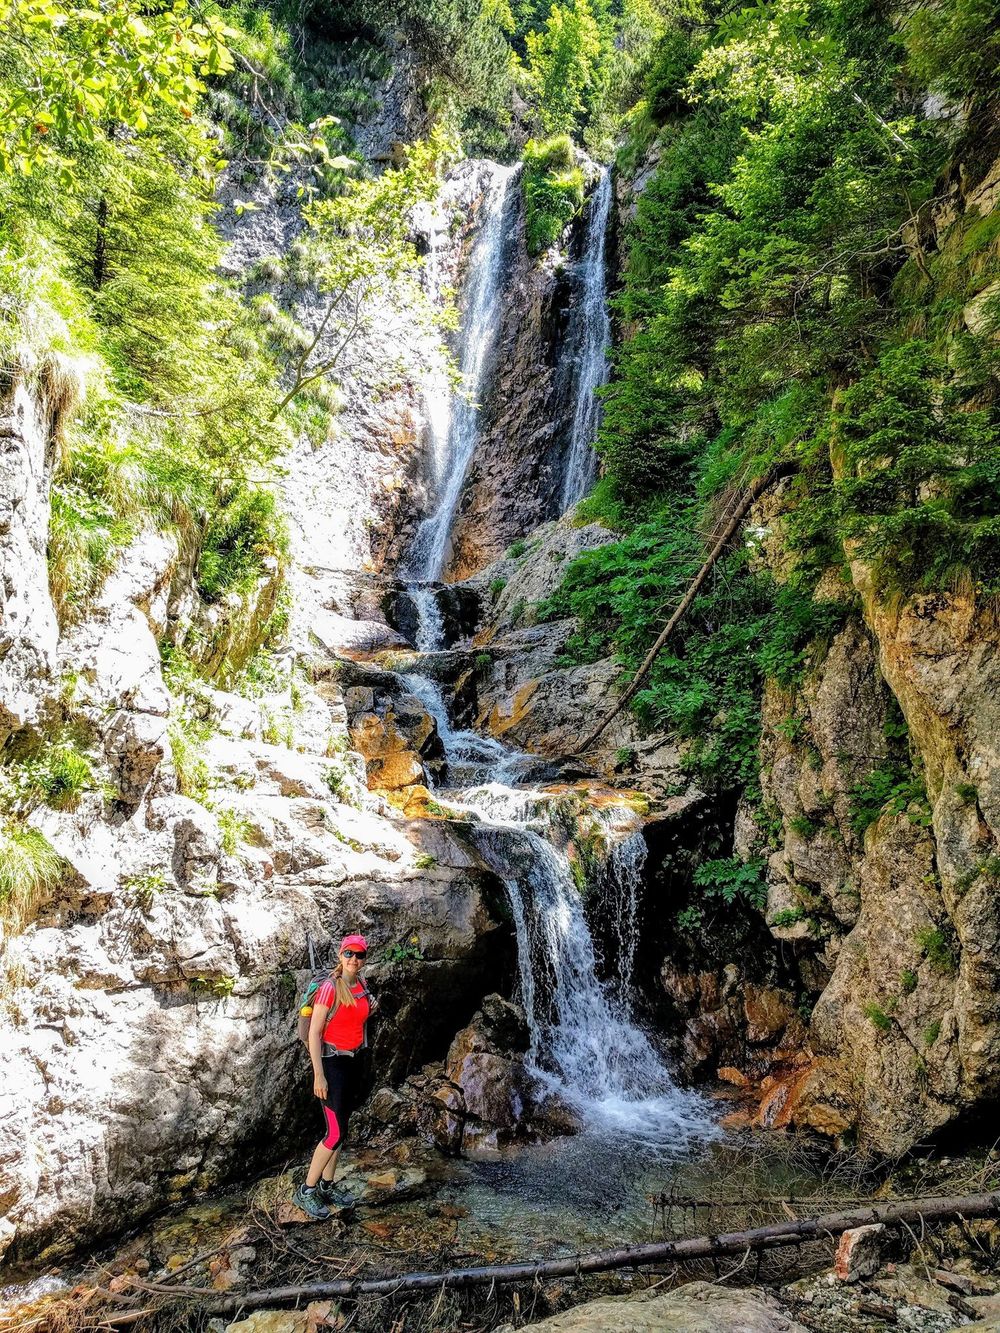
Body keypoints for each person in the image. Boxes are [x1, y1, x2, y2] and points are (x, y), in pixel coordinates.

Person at [293, 934, 372, 1219]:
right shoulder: (330, 988)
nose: (354, 959)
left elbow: (356, 1018)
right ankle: (306, 1190)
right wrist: (318, 1075)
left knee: (341, 1131)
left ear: (364, 959)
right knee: (334, 1133)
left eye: (359, 955)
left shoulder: (360, 984)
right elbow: (314, 1033)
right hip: (330, 1063)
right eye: (349, 953)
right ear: (341, 955)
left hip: (351, 1061)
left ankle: (327, 1185)